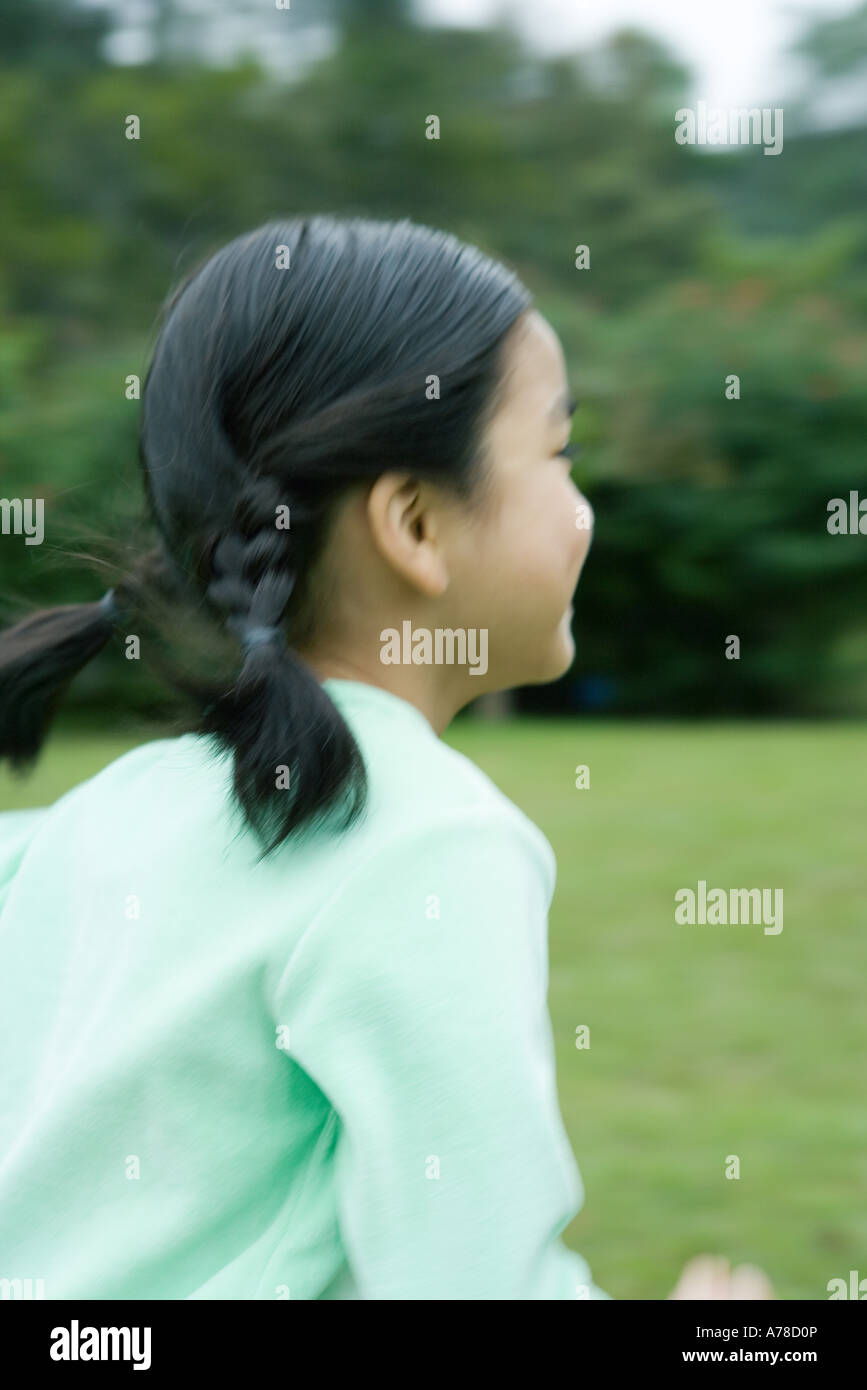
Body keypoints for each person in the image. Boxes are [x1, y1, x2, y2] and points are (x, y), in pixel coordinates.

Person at [0, 215, 772, 1300]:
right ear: (412, 521)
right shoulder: (429, 846)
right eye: (559, 453)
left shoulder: (110, 810)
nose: (585, 514)